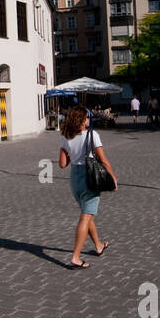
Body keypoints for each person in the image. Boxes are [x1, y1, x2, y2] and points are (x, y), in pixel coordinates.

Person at [57, 106, 116, 270]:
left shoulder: (66, 137)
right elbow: (103, 159)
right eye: (86, 118)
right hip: (90, 178)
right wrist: (113, 178)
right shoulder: (92, 134)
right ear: (81, 120)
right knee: (85, 217)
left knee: (87, 213)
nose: (88, 120)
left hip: (75, 179)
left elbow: (62, 164)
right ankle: (75, 257)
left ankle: (98, 245)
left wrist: (73, 153)